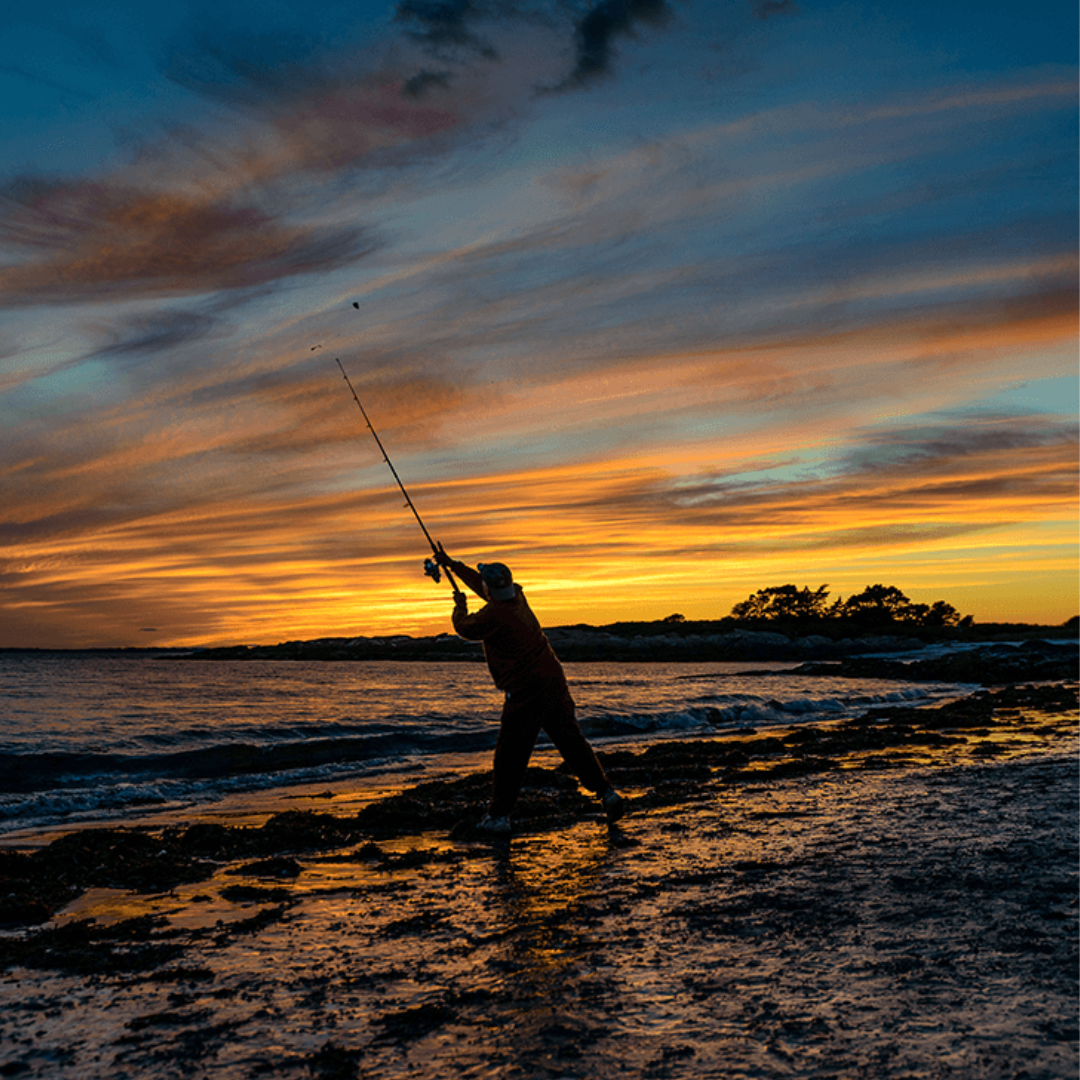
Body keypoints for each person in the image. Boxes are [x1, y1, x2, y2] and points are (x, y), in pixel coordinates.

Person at [435, 546, 625, 836]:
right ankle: (607, 793)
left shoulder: (495, 615)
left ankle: (498, 817)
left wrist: (459, 604)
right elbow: (482, 584)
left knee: (510, 754)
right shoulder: (517, 596)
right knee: (571, 741)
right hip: (553, 680)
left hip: (526, 690)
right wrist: (452, 565)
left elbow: (466, 628)